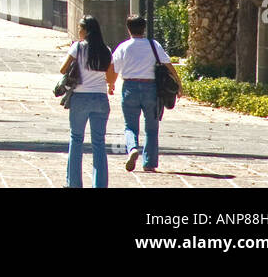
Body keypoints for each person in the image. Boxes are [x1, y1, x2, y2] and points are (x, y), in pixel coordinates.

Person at [111, 15, 181, 173]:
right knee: (152, 127)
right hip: (150, 88)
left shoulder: (124, 46)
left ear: (128, 29)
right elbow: (168, 64)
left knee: (130, 125)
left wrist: (111, 85)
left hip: (129, 87)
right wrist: (179, 83)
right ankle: (149, 162)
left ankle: (132, 148)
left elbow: (114, 68)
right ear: (144, 29)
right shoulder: (153, 44)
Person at [61, 16, 116, 189]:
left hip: (80, 97)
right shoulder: (106, 50)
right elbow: (110, 77)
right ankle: (100, 184)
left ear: (85, 31)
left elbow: (63, 69)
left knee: (76, 139)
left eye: (80, 28)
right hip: (100, 98)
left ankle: (74, 183)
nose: (78, 32)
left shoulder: (77, 47)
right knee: (99, 143)